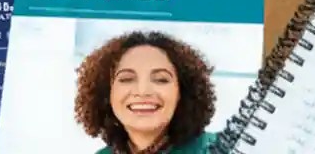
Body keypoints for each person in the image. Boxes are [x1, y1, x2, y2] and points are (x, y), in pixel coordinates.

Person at [74, 31, 218, 154]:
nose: (143, 91)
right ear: (106, 93)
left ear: (183, 92)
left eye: (161, 80)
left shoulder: (221, 149)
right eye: (127, 79)